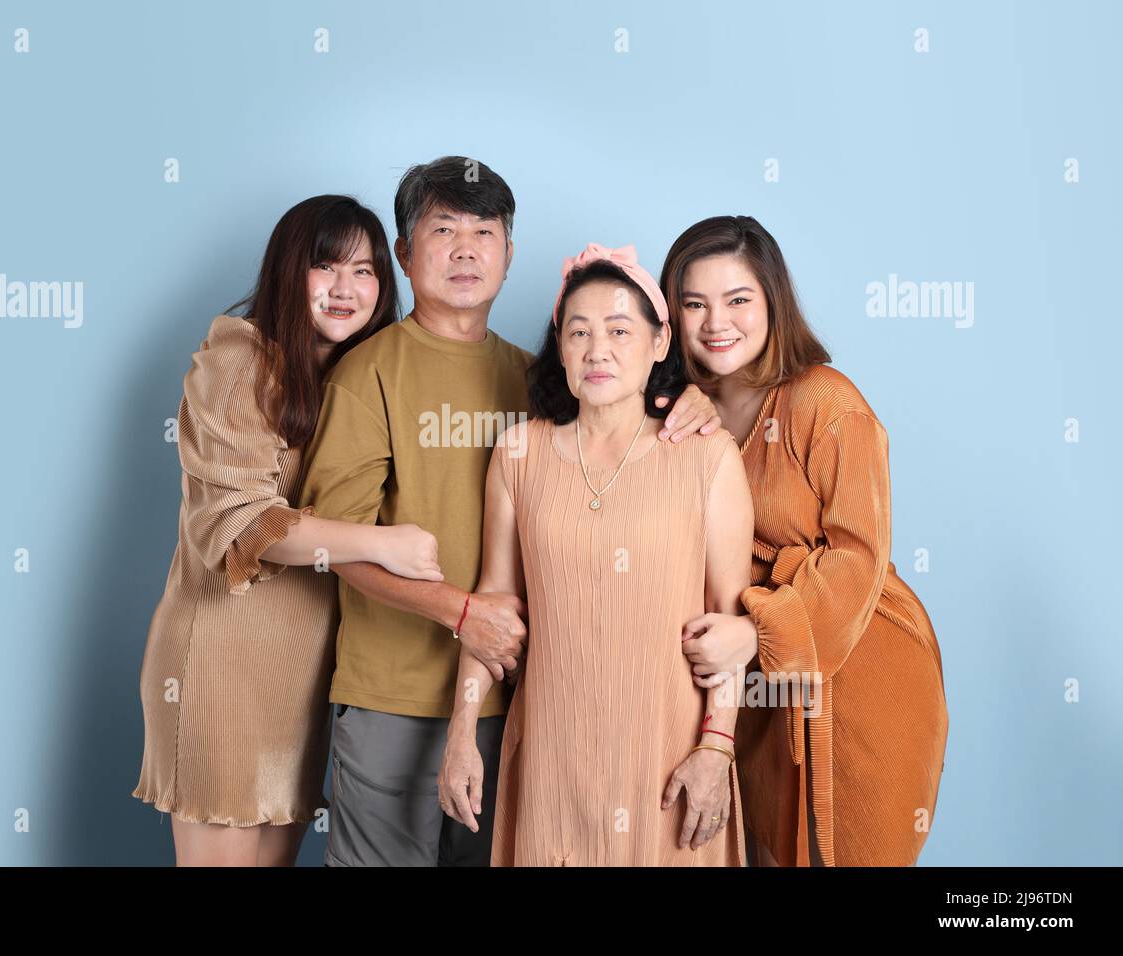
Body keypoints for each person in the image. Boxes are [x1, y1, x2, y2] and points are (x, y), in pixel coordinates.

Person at [297, 158, 722, 866]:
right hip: (392, 695)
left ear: (509, 254)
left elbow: (624, 444)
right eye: (443, 230)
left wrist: (689, 400)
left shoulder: (540, 377)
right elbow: (335, 548)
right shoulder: (368, 373)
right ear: (405, 254)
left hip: (517, 702)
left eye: (484, 231)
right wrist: (462, 613)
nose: (466, 249)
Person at [132, 195, 441, 866]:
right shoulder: (241, 358)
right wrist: (384, 544)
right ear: (286, 272)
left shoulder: (353, 378)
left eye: (364, 271)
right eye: (324, 266)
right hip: (224, 657)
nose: (344, 288)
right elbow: (246, 524)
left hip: (301, 672)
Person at [437, 244, 754, 866]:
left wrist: (716, 746)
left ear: (660, 341)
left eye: (619, 329)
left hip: (672, 758)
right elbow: (494, 604)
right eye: (578, 332)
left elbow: (728, 621)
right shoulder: (518, 455)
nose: (597, 350)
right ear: (560, 345)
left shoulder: (708, 459)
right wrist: (462, 731)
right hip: (554, 758)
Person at [665, 215, 949, 866]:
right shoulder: (681, 408)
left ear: (773, 303)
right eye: (694, 303)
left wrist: (759, 630)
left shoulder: (827, 401)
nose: (716, 322)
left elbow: (859, 554)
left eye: (738, 300)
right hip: (759, 687)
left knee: (845, 847)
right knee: (767, 846)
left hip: (860, 662)